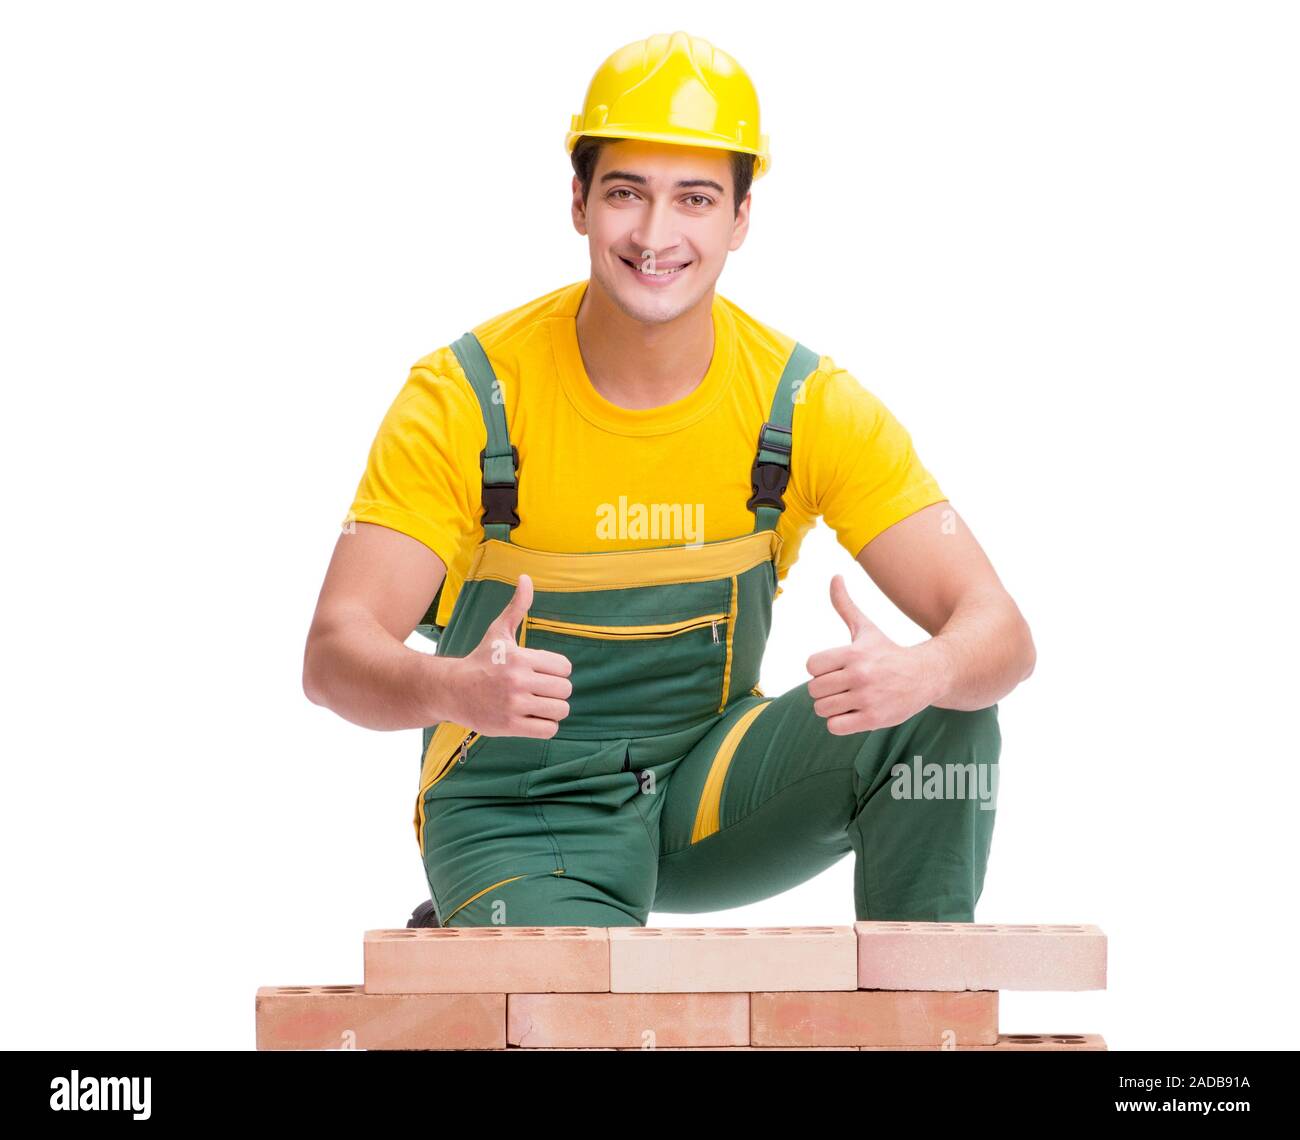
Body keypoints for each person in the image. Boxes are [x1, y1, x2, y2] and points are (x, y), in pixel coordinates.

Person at [302, 30, 1035, 928]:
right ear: (577, 202)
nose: (656, 235)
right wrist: (450, 689)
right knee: (590, 1014)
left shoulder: (800, 405)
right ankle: (508, 922)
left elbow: (1001, 631)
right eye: (625, 194)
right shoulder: (465, 400)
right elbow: (334, 653)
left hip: (703, 791)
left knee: (944, 722)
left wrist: (925, 670)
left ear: (739, 217)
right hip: (519, 818)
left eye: (693, 198)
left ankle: (926, 1017)